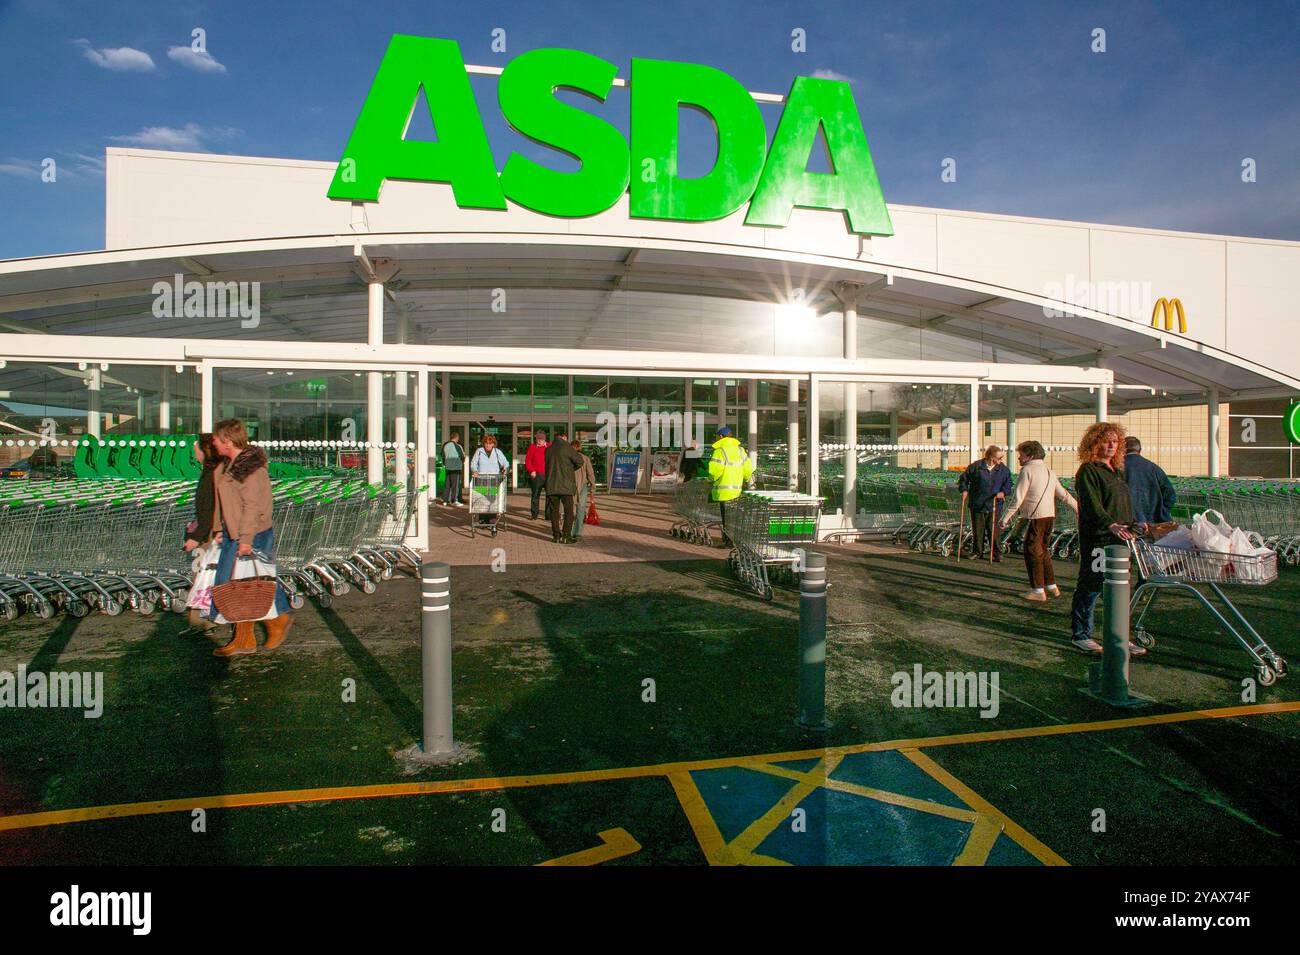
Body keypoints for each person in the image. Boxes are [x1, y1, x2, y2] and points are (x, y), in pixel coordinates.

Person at [207, 419, 293, 657]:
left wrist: (245, 538)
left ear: (226, 440)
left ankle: (278, 619)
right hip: (235, 532)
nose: (212, 442)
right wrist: (220, 528)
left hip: (252, 533)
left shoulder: (250, 468)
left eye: (215, 438)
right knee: (237, 585)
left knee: (254, 582)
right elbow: (228, 504)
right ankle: (244, 638)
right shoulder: (228, 465)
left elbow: (252, 507)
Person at [1070, 422, 1146, 655]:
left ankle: (1120, 635)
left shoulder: (1117, 471)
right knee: (1092, 585)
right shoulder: (1088, 471)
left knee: (1120, 589)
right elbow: (1091, 505)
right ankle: (1081, 633)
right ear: (1094, 443)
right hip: (1099, 539)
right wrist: (1109, 524)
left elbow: (1122, 504)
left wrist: (1135, 523)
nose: (1112, 445)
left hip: (1121, 539)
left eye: (1115, 441)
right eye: (1106, 440)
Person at [1000, 440, 1078, 602]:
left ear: (1030, 456)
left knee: (1032, 551)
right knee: (1043, 550)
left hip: (1034, 516)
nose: (1019, 459)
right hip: (1049, 515)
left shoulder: (1027, 471)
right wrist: (1078, 509)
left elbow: (1018, 498)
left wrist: (1005, 518)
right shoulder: (1050, 472)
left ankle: (1037, 590)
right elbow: (1063, 494)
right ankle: (1051, 585)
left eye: (1021, 455)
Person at [183, 433, 223, 631]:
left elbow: (208, 511)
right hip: (210, 531)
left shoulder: (211, 476)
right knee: (204, 575)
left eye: (196, 447)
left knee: (200, 575)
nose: (194, 451)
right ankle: (202, 619)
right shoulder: (212, 472)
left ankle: (199, 622)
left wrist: (195, 538)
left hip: (208, 535)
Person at [958, 446, 1013, 561]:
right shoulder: (976, 466)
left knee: (994, 530)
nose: (1001, 460)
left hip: (994, 504)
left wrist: (1003, 492)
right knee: (978, 529)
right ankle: (978, 551)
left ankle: (997, 553)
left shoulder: (1003, 470)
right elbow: (964, 479)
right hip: (977, 502)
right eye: (999, 458)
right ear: (992, 457)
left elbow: (1008, 485)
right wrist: (964, 490)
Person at [707, 426, 754, 544]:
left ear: (721, 437)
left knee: (726, 517)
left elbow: (714, 471)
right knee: (735, 517)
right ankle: (734, 539)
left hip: (723, 490)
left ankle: (727, 540)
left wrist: (710, 479)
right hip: (737, 490)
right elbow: (748, 468)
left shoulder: (719, 451)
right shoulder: (740, 450)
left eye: (718, 437)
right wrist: (746, 478)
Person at [1124, 436, 1176, 525]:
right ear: (1140, 449)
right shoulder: (1154, 468)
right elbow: (1170, 494)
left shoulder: (1117, 468)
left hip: (1128, 522)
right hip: (1153, 520)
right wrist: (1162, 513)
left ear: (1122, 449)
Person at [544, 430, 584, 543]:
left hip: (552, 484)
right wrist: (571, 470)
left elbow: (546, 466)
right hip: (566, 485)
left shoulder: (548, 449)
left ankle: (556, 536)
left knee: (554, 512)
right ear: (564, 437)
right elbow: (580, 461)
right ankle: (566, 536)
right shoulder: (567, 447)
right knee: (568, 511)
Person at [469, 434, 509, 529]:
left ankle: (492, 520)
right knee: (482, 500)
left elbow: (505, 462)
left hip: (493, 480)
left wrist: (505, 468)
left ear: (493, 444)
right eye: (486, 443)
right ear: (483, 444)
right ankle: (483, 520)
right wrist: (474, 470)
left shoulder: (497, 452)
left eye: (490, 443)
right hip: (481, 480)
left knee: (492, 500)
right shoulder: (479, 451)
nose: (488, 445)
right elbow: (473, 463)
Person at [571, 439, 597, 540]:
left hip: (571, 486)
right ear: (579, 447)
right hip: (583, 486)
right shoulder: (585, 458)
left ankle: (568, 530)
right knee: (580, 509)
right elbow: (590, 473)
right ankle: (577, 532)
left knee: (569, 509)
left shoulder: (568, 458)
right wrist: (593, 487)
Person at [525, 429, 549, 520]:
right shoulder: (532, 447)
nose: (539, 440)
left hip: (548, 475)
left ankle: (548, 515)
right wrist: (531, 470)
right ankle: (534, 515)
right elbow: (528, 460)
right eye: (538, 438)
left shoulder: (549, 446)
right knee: (535, 495)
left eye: (541, 439)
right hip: (537, 475)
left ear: (544, 439)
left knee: (549, 496)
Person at [440, 431, 465, 507]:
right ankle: (454, 500)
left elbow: (442, 455)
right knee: (455, 485)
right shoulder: (457, 446)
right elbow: (462, 456)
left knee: (447, 484)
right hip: (456, 468)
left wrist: (445, 464)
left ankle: (445, 500)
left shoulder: (445, 445)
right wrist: (462, 462)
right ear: (457, 437)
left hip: (447, 467)